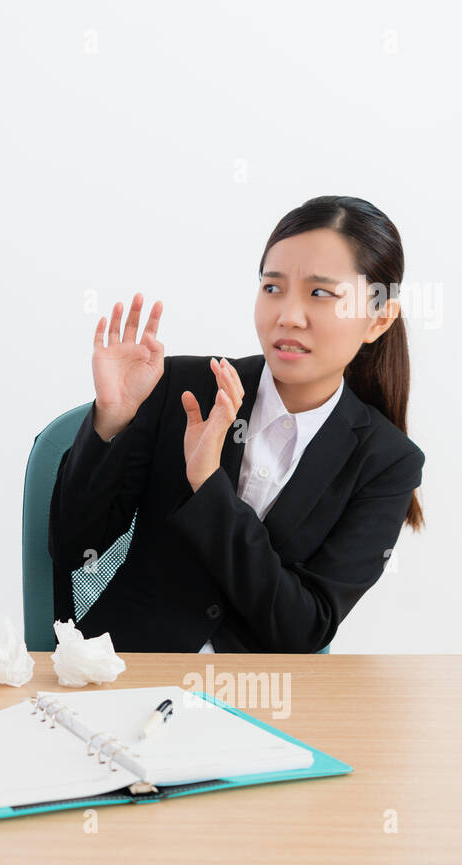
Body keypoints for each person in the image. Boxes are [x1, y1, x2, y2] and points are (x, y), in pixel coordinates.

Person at [49, 195, 424, 653]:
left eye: (320, 293)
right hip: (128, 671)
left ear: (378, 319)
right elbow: (73, 546)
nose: (288, 315)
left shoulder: (386, 462)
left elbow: (304, 628)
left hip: (261, 702)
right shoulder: (184, 387)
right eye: (272, 288)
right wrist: (112, 418)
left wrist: (207, 485)